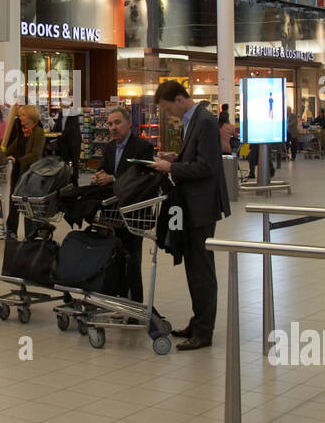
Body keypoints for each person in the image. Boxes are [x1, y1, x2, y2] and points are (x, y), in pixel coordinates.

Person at [150, 80, 230, 350]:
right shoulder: (193, 120)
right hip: (192, 204)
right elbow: (196, 159)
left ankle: (204, 331)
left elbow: (206, 167)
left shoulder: (205, 121)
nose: (167, 114)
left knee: (201, 268)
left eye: (167, 108)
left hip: (202, 206)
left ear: (179, 100)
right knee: (194, 266)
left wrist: (171, 168)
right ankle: (198, 322)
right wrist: (176, 159)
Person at [92, 106, 155, 305]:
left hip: (133, 211)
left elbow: (141, 178)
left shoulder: (142, 146)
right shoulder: (110, 147)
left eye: (117, 123)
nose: (113, 127)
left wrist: (113, 178)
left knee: (133, 259)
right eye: (110, 124)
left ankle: (136, 304)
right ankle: (118, 299)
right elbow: (104, 167)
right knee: (114, 257)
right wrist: (99, 175)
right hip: (112, 211)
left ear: (129, 123)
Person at [4, 104, 45, 235]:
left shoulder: (38, 131)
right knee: (14, 200)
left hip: (31, 173)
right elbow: (14, 146)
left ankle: (31, 232)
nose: (19, 117)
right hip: (19, 171)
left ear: (30, 117)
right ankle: (11, 230)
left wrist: (18, 160)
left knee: (28, 203)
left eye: (22, 115)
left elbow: (36, 154)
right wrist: (0, 155)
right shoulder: (23, 131)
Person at [59, 110, 82, 187]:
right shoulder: (61, 113)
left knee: (75, 161)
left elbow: (70, 128)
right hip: (65, 142)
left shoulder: (73, 113)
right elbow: (58, 125)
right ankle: (66, 180)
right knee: (65, 160)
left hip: (74, 142)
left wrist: (62, 135)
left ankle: (75, 181)